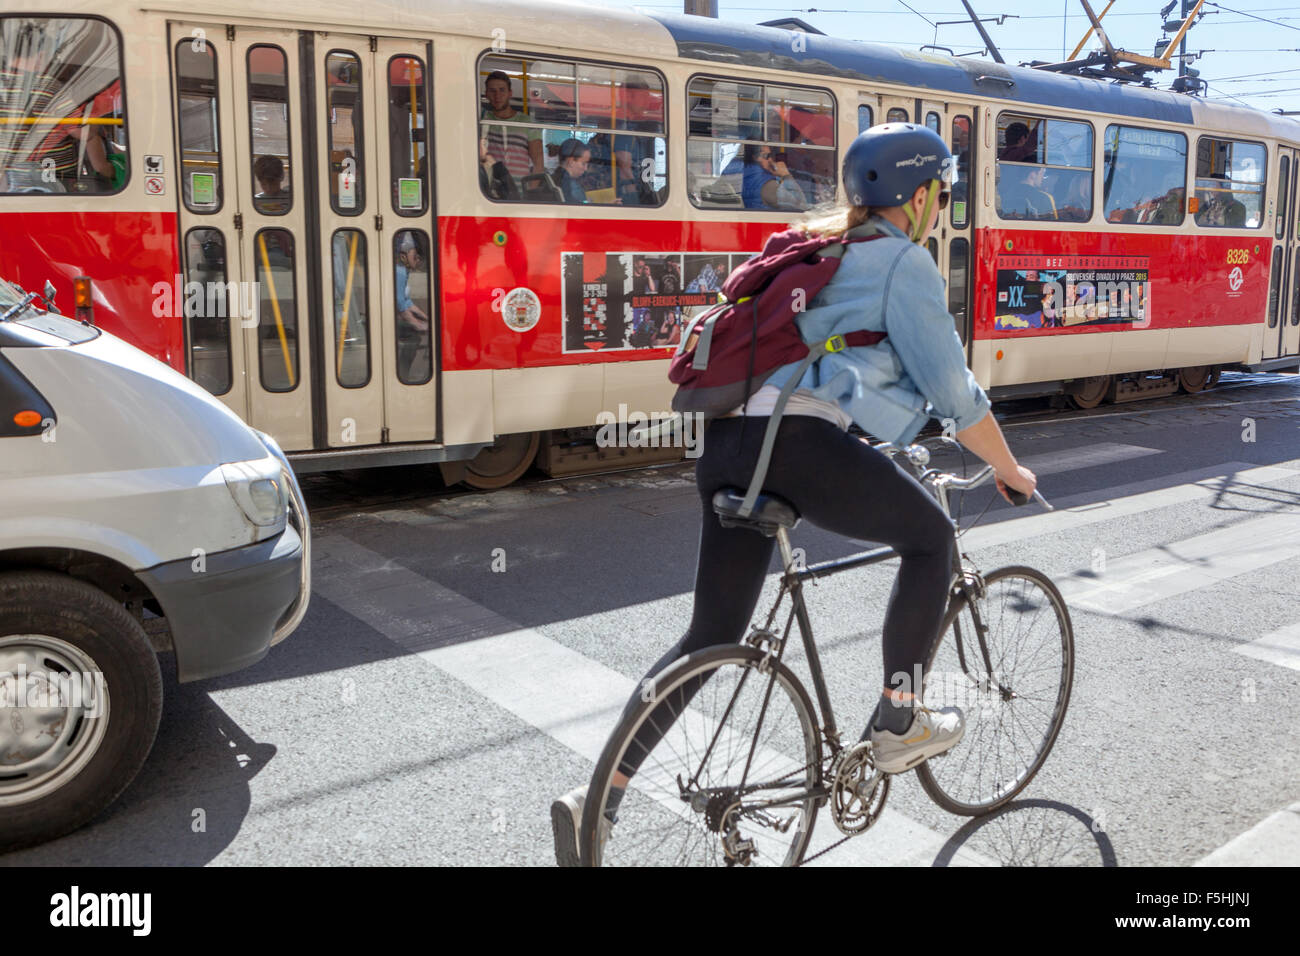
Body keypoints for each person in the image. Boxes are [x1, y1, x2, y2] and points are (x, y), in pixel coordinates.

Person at [550, 122, 1038, 862]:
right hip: (798, 445)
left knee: (708, 641)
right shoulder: (902, 261)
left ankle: (599, 801)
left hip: (724, 443)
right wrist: (1010, 468)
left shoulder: (813, 245)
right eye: (942, 191)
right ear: (919, 194)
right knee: (931, 538)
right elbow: (956, 394)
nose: (942, 205)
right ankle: (899, 721)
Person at [480, 69, 543, 180]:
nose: (497, 95)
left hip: (519, 194)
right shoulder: (483, 119)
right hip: (489, 192)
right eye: (492, 91)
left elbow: (538, 163)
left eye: (502, 90)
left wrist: (530, 192)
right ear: (486, 94)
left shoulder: (526, 122)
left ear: (510, 93)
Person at [552, 138, 591, 204]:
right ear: (571, 162)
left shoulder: (552, 179)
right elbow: (580, 208)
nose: (586, 168)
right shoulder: (569, 185)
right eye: (583, 164)